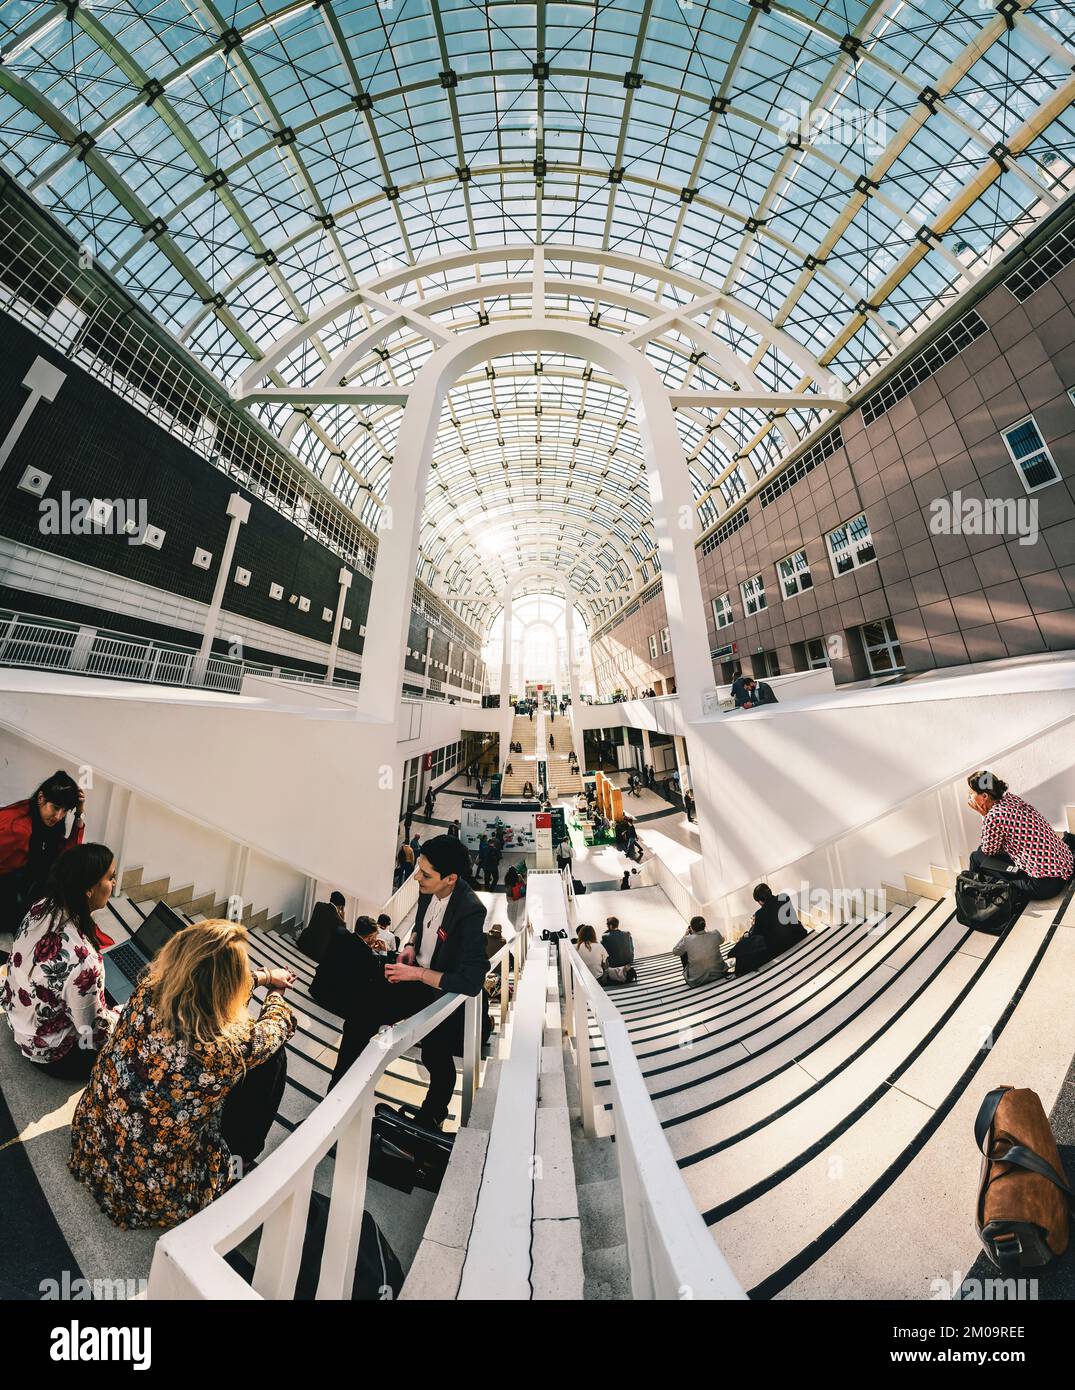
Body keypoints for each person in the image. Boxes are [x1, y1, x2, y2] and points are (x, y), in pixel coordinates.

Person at [68, 920, 296, 1228]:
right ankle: (239, 1161)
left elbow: (210, 979)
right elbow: (277, 1028)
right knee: (272, 1059)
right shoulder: (226, 1048)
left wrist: (262, 976)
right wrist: (275, 990)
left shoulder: (147, 991)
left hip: (94, 1141)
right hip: (148, 1189)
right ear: (228, 982)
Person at [328, 836, 490, 1130]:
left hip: (442, 993)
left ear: (451, 879)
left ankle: (431, 1117)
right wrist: (412, 945)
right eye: (419, 869)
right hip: (416, 977)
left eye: (426, 874)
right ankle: (336, 1101)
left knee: (436, 1057)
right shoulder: (429, 889)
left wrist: (416, 974)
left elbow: (471, 979)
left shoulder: (471, 910)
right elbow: (423, 923)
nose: (417, 877)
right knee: (359, 1018)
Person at [1, 843, 118, 1078]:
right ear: (88, 889)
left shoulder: (41, 907)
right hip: (50, 1055)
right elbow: (91, 1032)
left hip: (18, 1018)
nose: (114, 883)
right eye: (110, 877)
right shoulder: (85, 962)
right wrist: (120, 1015)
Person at [0, 771, 88, 936]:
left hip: (17, 881)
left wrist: (79, 813)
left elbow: (68, 854)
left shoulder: (42, 820)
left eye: (65, 811)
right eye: (55, 808)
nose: (59, 816)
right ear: (41, 798)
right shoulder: (19, 830)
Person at [966, 770, 1074, 899]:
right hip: (1065, 867)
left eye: (971, 793)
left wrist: (984, 816)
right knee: (982, 852)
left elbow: (988, 850)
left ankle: (974, 899)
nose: (969, 798)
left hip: (1044, 886)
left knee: (976, 857)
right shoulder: (1012, 799)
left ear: (984, 796)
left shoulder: (994, 816)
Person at [729, 884, 808, 977]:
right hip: (795, 936)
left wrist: (754, 925)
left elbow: (755, 936)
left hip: (778, 949)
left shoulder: (760, 914)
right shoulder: (784, 898)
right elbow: (792, 918)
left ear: (760, 901)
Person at [674, 916, 729, 987]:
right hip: (719, 972)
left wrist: (685, 935)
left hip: (698, 979)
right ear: (705, 925)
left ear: (691, 928)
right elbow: (722, 940)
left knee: (683, 951)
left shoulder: (687, 939)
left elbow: (675, 951)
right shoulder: (715, 933)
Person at [295, 889, 346, 962]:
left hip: (303, 944)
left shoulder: (318, 905)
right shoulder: (339, 921)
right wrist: (342, 919)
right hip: (317, 955)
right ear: (341, 907)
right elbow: (340, 941)